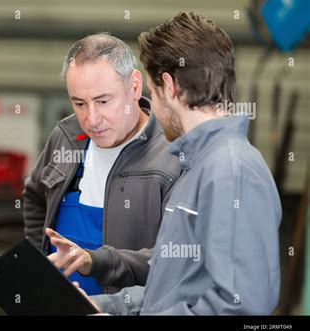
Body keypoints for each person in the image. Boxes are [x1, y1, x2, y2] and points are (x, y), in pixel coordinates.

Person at [79, 12, 280, 314]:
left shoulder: (231, 172)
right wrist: (102, 306)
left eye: (151, 93)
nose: (153, 107)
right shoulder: (198, 166)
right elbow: (170, 286)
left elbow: (240, 308)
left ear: (170, 87)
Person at [22, 33, 181, 295]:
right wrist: (40, 260)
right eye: (79, 103)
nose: (92, 119)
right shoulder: (67, 137)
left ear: (134, 86)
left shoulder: (172, 155)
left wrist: (96, 262)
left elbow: (175, 258)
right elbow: (35, 196)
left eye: (103, 101)